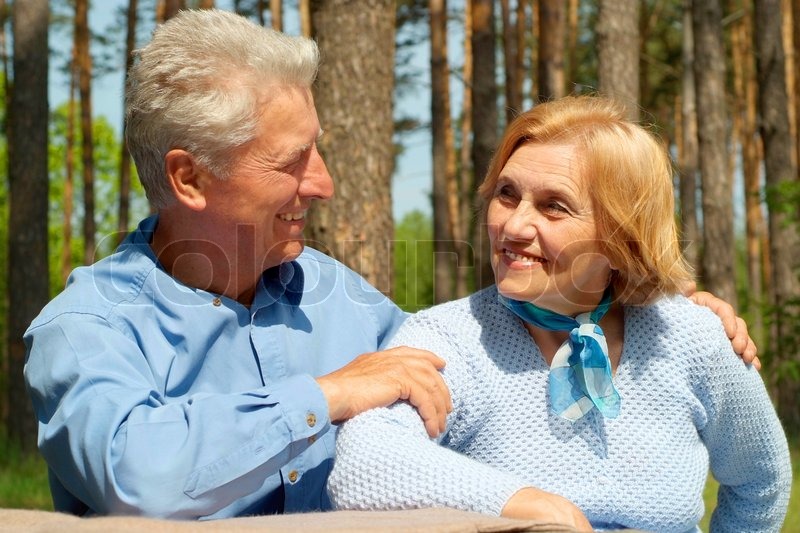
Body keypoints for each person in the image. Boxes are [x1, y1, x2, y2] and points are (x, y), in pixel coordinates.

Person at [23, 9, 754, 523]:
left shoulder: (350, 306)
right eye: (292, 161)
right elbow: (141, 473)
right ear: (189, 178)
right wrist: (327, 395)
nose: (324, 182)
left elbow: (501, 358)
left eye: (319, 147)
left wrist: (653, 298)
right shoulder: (85, 330)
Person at [328, 96, 792, 532]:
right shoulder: (450, 338)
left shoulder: (693, 336)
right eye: (506, 194)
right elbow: (362, 463)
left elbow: (761, 481)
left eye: (554, 206)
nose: (513, 226)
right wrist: (527, 505)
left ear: (621, 237)